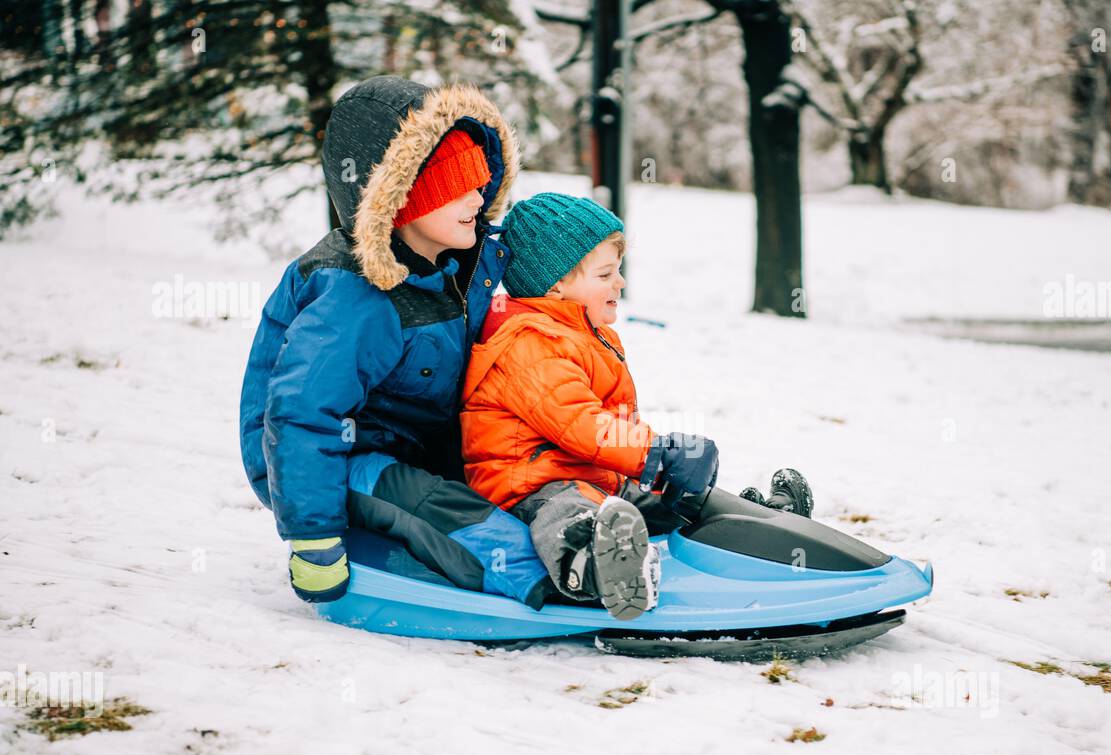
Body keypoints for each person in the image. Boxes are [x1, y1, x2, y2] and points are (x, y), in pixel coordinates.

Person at [239, 76, 550, 609]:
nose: (478, 198)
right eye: (458, 187)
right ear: (400, 199)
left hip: (423, 442)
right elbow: (301, 413)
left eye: (480, 183)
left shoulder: (461, 264)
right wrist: (313, 540)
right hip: (343, 459)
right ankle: (557, 579)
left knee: (517, 468)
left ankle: (583, 531)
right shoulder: (353, 294)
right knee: (442, 508)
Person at [460, 192, 812, 621]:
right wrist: (653, 452)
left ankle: (759, 529)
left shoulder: (583, 332)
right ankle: (597, 569)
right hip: (531, 484)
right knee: (566, 514)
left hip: (596, 475)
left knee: (677, 497)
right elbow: (582, 424)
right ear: (555, 285)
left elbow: (609, 425)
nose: (620, 283)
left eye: (619, 271)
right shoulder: (529, 342)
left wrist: (665, 467)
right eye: (606, 273)